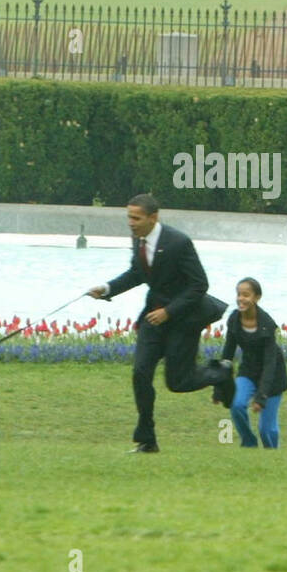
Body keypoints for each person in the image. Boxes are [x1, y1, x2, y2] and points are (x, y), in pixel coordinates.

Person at [87, 194, 227, 453]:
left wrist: (169, 312)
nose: (131, 223)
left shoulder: (179, 243)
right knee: (140, 373)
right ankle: (146, 439)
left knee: (177, 383)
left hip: (183, 318)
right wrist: (107, 288)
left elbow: (199, 285)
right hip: (152, 318)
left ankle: (221, 372)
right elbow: (137, 274)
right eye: (129, 217)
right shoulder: (138, 237)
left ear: (153, 218)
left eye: (136, 218)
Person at [216, 278, 287, 449]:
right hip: (248, 372)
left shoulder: (267, 325)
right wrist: (219, 387)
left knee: (266, 430)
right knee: (237, 405)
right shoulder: (234, 319)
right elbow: (227, 355)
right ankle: (249, 443)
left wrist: (261, 396)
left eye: (246, 295)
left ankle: (273, 457)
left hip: (273, 378)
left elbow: (270, 364)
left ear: (257, 298)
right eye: (238, 294)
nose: (241, 299)